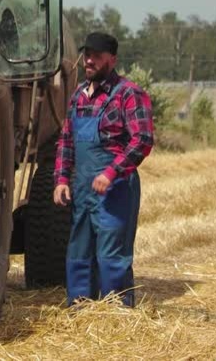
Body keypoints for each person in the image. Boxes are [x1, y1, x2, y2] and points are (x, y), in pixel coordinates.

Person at [53, 32, 154, 307]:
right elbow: (66, 140)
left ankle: (115, 314)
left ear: (112, 59)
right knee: (79, 251)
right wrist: (62, 179)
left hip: (115, 189)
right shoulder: (78, 96)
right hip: (83, 189)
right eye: (86, 55)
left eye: (96, 56)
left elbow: (142, 139)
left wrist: (111, 172)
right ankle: (80, 310)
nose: (89, 60)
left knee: (112, 254)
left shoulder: (128, 94)